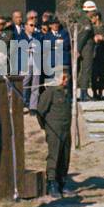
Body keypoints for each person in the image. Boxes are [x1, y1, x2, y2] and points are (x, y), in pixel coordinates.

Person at [35, 69, 73, 198]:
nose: (66, 80)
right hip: (54, 129)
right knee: (54, 156)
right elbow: (40, 111)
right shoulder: (50, 92)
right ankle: (52, 183)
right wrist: (45, 127)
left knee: (65, 156)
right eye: (64, 78)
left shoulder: (66, 92)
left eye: (67, 78)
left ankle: (62, 181)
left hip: (65, 129)